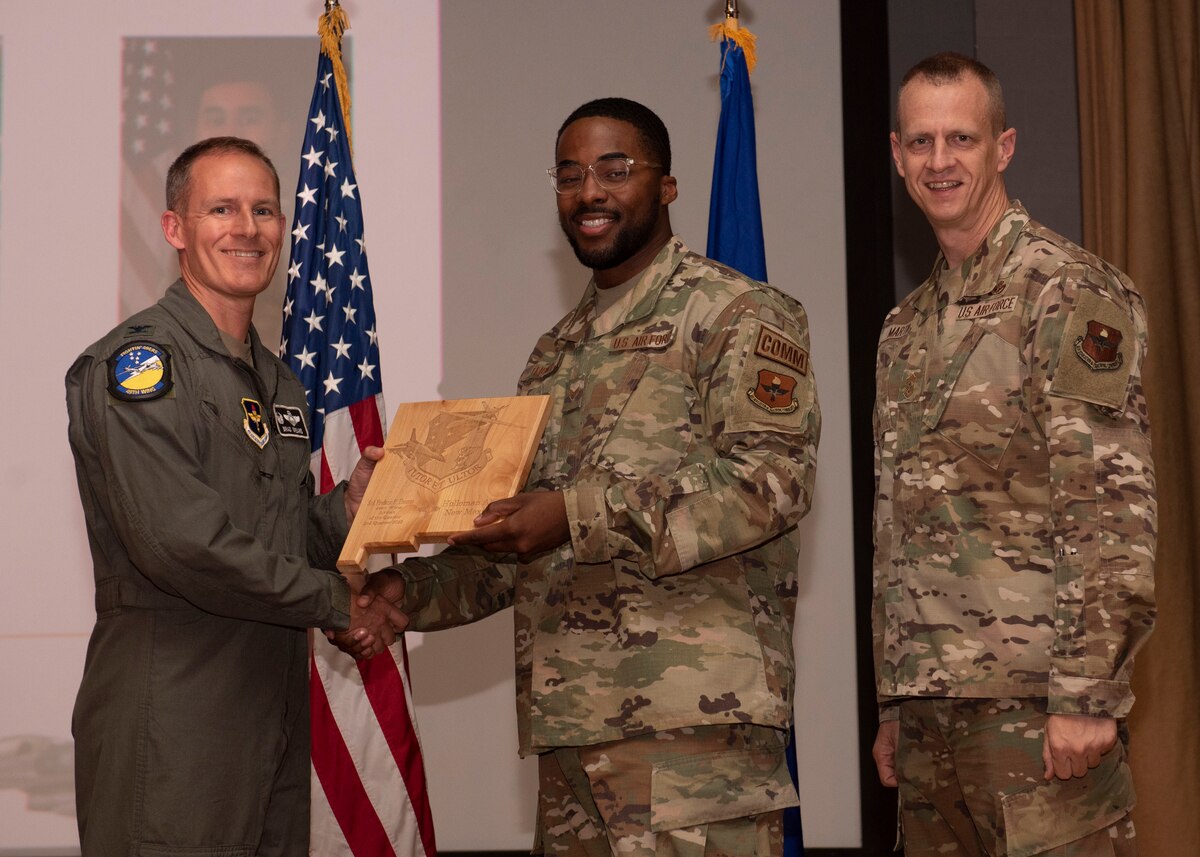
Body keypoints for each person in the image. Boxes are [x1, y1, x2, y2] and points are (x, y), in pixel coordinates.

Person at [350, 98, 821, 856]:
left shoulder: (737, 312)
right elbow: (518, 538)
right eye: (569, 175)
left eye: (615, 169)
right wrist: (411, 592)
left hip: (690, 738)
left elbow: (770, 483)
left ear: (666, 185)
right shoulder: (555, 351)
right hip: (573, 740)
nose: (589, 192)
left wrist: (574, 513)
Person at [66, 136, 397, 856]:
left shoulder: (279, 380)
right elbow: (181, 544)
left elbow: (275, 535)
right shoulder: (140, 366)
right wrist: (341, 602)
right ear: (175, 228)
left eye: (264, 210)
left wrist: (347, 507)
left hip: (268, 708)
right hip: (175, 710)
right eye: (221, 208)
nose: (247, 229)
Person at [871, 53, 1156, 856]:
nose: (939, 161)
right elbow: (897, 522)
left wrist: (1089, 692)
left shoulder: (1066, 290)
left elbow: (1108, 503)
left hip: (1037, 713)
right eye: (921, 142)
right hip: (931, 716)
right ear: (897, 155)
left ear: (1004, 147)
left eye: (961, 137)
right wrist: (896, 701)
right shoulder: (905, 327)